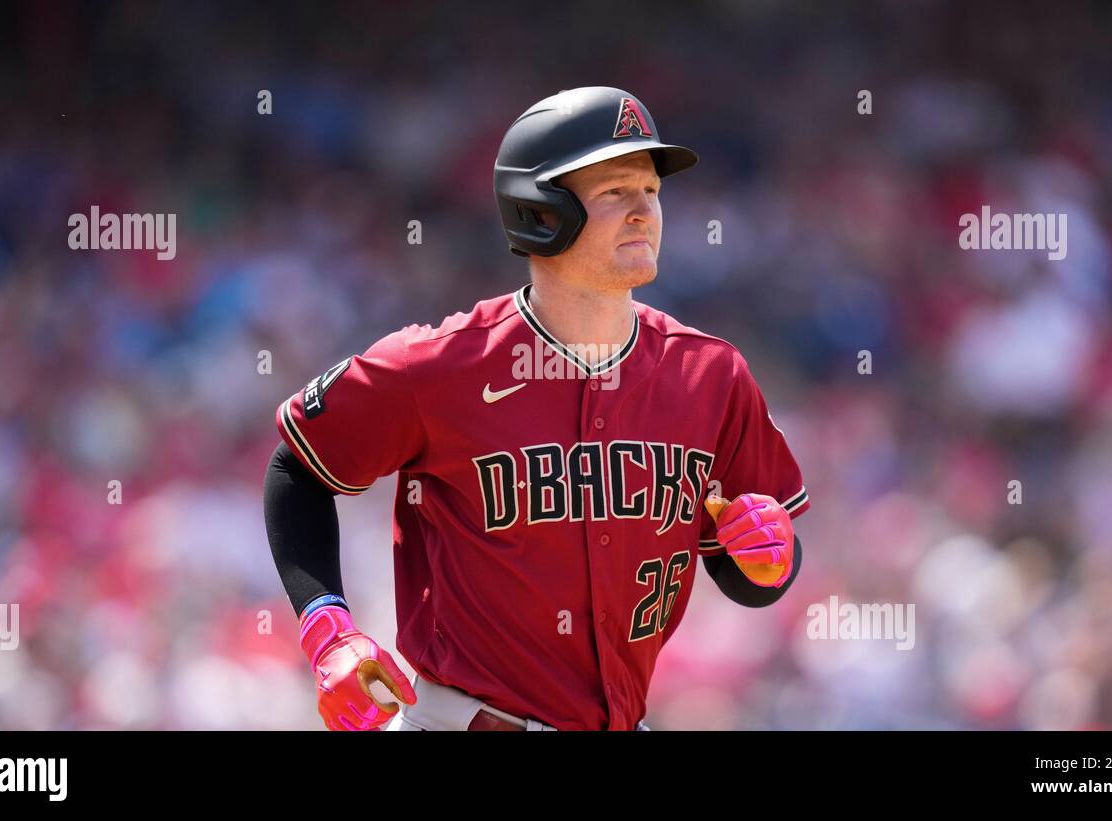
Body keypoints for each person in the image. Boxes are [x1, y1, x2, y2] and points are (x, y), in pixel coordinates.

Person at [263, 86, 811, 731]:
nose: (644, 212)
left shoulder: (711, 375)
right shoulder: (437, 366)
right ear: (538, 211)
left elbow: (751, 576)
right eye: (614, 192)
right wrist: (327, 628)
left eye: (651, 192)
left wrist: (770, 560)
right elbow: (297, 468)